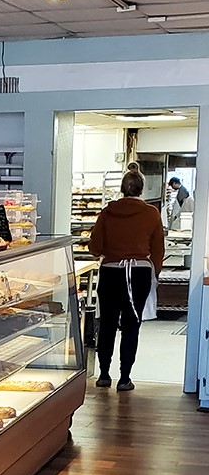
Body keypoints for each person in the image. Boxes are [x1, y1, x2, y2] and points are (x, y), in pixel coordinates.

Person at [89, 162, 164, 392]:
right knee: (132, 325)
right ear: (142, 189)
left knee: (107, 323)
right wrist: (154, 274)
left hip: (111, 271)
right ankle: (124, 378)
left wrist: (110, 250)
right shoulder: (151, 213)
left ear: (122, 189)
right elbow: (158, 250)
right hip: (139, 273)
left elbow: (95, 247)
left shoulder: (107, 212)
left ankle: (103, 374)